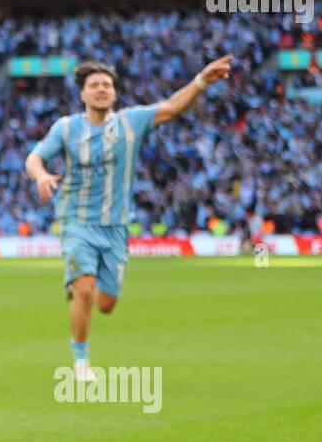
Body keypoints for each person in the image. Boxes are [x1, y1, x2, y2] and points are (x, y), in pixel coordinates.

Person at [26, 56, 234, 380]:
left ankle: (82, 281)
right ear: (82, 94)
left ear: (115, 93)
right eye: (94, 85)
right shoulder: (66, 128)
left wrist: (202, 80)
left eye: (106, 85)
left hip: (116, 226)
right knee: (84, 291)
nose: (101, 90)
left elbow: (171, 107)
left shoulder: (130, 122)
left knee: (105, 305)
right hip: (76, 222)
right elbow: (34, 157)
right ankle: (80, 362)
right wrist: (40, 175)